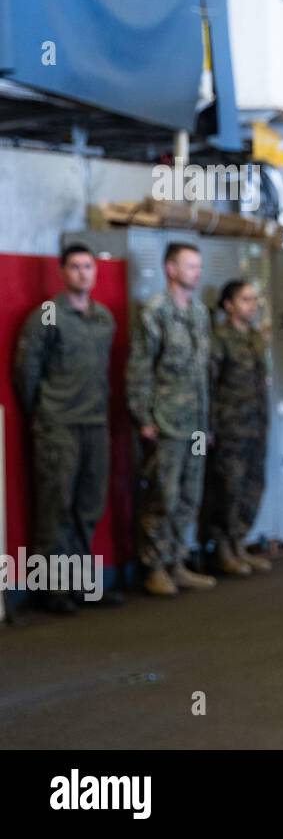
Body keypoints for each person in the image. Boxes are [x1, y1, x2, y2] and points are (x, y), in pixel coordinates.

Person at [13, 244, 118, 613]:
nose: (82, 273)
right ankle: (53, 588)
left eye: (88, 266)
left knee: (89, 507)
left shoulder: (103, 318)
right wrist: (44, 413)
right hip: (59, 425)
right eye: (74, 266)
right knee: (56, 506)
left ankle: (82, 584)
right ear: (62, 272)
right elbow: (26, 370)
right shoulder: (47, 314)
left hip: (95, 424)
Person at [126, 242, 216, 597]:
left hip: (196, 423)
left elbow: (203, 373)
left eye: (199, 266)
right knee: (163, 495)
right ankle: (154, 567)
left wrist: (207, 423)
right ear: (170, 269)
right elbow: (140, 368)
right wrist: (143, 417)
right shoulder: (155, 312)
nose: (197, 272)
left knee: (190, 496)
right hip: (166, 421)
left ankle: (177, 562)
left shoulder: (199, 313)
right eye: (190, 265)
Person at [206, 279, 272, 577]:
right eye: (246, 299)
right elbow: (209, 385)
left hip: (257, 426)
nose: (253, 305)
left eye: (254, 299)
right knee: (227, 490)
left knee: (253, 487)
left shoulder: (256, 338)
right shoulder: (219, 339)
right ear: (228, 305)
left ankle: (239, 543)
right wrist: (209, 428)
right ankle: (223, 550)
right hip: (229, 428)